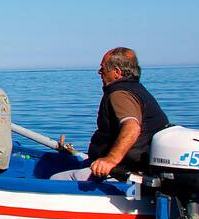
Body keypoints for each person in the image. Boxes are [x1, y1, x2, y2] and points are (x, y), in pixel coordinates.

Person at [50, 47, 171, 181]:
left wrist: (110, 160)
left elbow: (132, 128)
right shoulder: (138, 91)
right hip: (136, 165)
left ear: (117, 72)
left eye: (102, 69)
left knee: (56, 179)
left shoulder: (119, 94)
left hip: (124, 171)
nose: (99, 73)